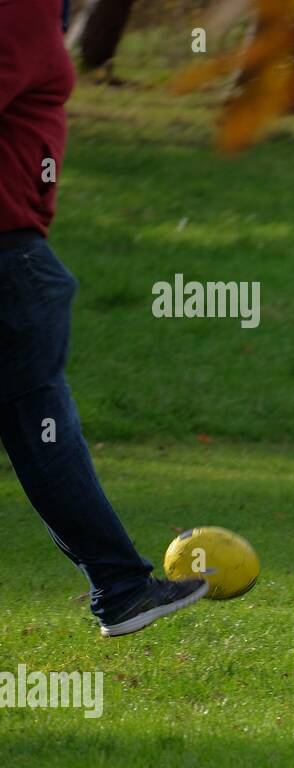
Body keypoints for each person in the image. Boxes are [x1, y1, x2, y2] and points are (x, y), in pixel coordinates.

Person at [0, 0, 207, 635]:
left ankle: (118, 583)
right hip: (9, 259)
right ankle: (119, 585)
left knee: (40, 429)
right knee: (42, 430)